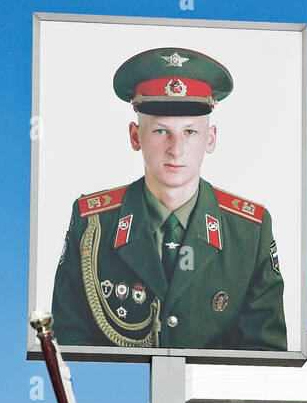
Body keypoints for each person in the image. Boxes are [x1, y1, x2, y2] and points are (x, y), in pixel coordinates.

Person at [51, 47, 286, 352]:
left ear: (210, 139)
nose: (176, 149)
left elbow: (266, 360)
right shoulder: (93, 222)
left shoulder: (249, 231)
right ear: (136, 136)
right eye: (161, 131)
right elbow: (66, 348)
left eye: (190, 131)